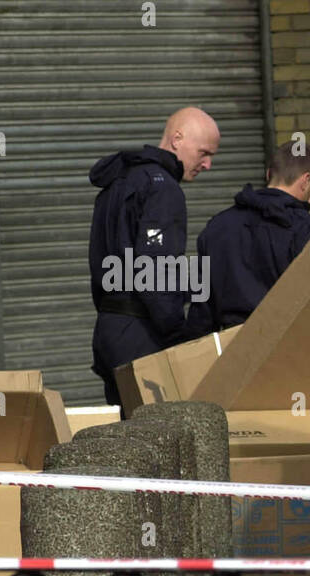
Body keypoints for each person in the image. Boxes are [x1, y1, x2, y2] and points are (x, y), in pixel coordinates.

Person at [88, 107, 219, 406]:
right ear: (177, 139)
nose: (208, 164)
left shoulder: (118, 183)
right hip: (142, 335)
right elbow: (156, 271)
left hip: (110, 329)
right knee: (159, 438)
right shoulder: (163, 190)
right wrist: (177, 335)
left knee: (130, 436)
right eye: (203, 153)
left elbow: (101, 263)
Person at [196, 141, 310, 329]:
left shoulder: (217, 226)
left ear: (269, 174)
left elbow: (202, 308)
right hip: (288, 344)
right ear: (305, 181)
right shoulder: (307, 229)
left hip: (229, 346)